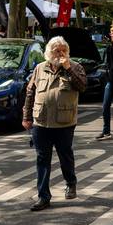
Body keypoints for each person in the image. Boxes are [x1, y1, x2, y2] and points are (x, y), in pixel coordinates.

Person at [22, 35, 87, 211]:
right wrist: (26, 116)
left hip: (64, 123)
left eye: (63, 50)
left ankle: (71, 182)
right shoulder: (39, 68)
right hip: (41, 122)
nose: (59, 53)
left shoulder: (75, 67)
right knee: (42, 159)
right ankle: (43, 196)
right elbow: (30, 93)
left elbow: (82, 86)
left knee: (65, 155)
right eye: (56, 50)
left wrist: (68, 69)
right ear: (48, 52)